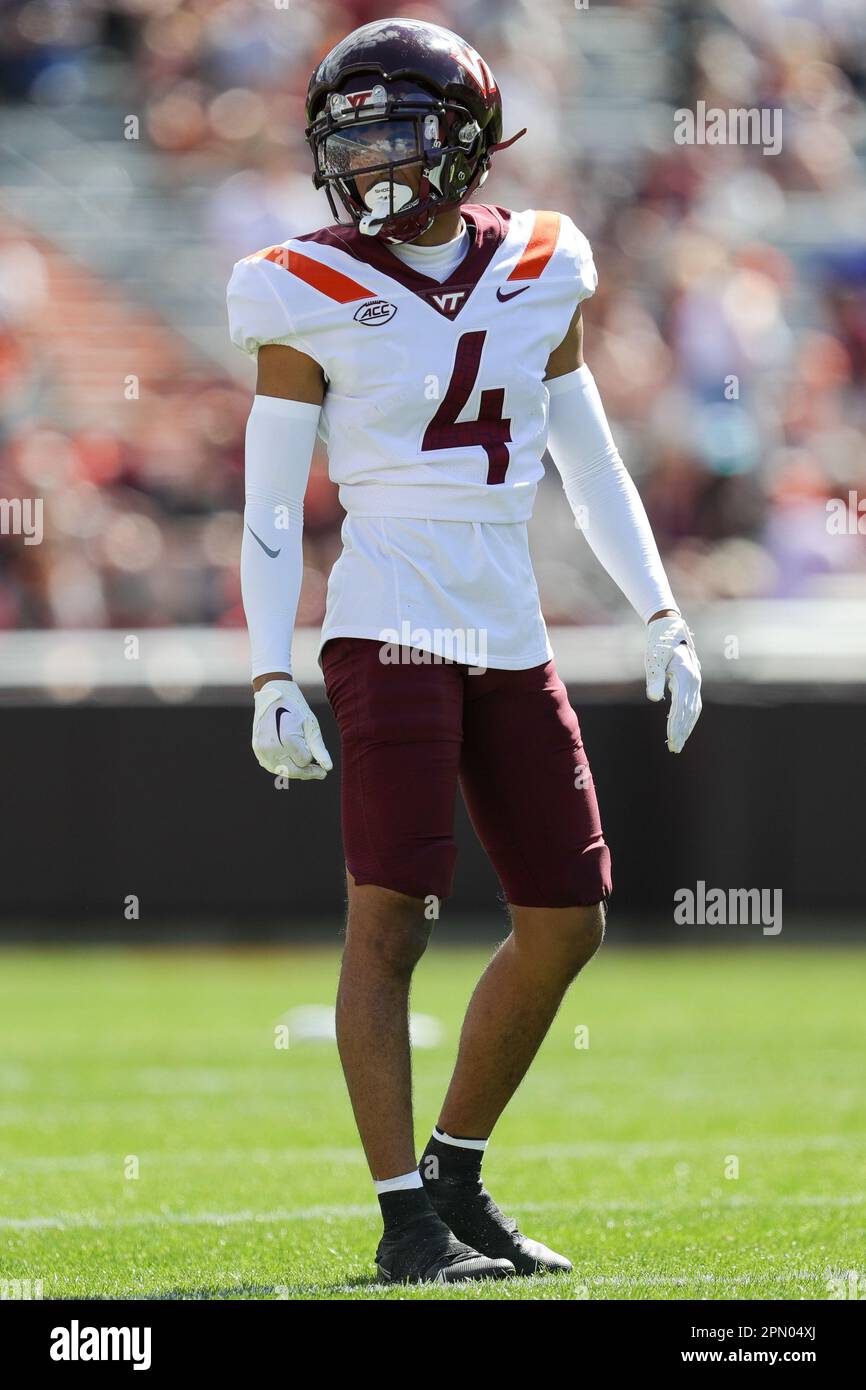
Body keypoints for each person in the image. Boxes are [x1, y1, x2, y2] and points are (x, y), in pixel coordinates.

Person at [227, 17, 702, 1285]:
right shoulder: (298, 282)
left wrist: (660, 610)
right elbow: (273, 503)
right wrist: (271, 668)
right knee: (389, 921)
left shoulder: (544, 260)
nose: (371, 165)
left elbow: (584, 451)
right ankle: (402, 1223)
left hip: (505, 623)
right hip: (387, 624)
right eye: (351, 140)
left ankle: (456, 1175)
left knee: (568, 919)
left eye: (396, 134)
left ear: (470, 140)